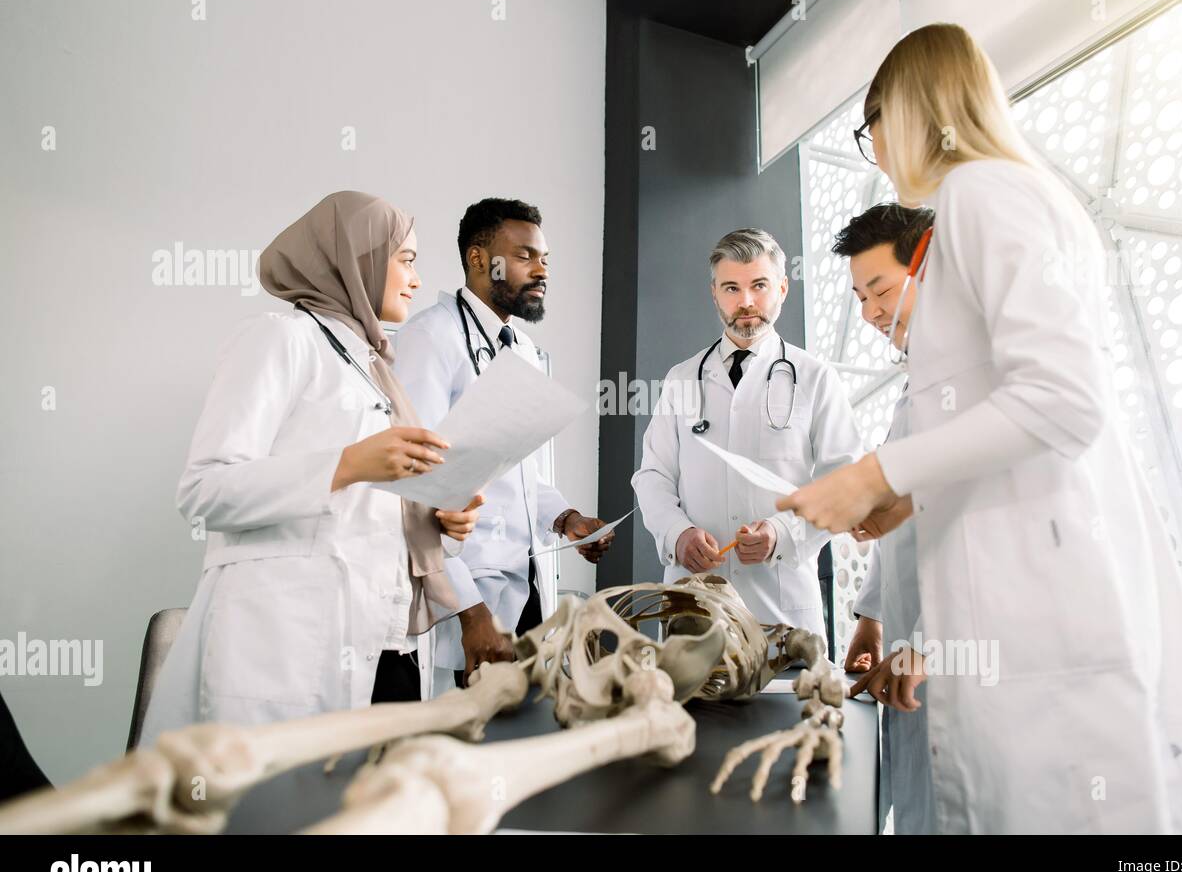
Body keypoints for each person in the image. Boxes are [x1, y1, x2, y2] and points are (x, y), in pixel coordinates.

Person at [777, 24, 1182, 833]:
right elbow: (1004, 412)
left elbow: (1062, 398)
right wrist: (906, 498)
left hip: (1034, 599)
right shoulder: (1009, 197)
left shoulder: (982, 194)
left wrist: (875, 474)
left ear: (912, 108)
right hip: (1028, 583)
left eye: (872, 123)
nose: (873, 146)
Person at [139, 191, 483, 743]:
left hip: (390, 647)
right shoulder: (281, 339)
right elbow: (204, 490)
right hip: (289, 648)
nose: (417, 279)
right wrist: (346, 465)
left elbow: (373, 521)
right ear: (356, 257)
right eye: (407, 258)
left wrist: (445, 523)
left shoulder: (377, 370)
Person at [393, 198, 612, 689]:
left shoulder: (524, 349)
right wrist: (469, 613)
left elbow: (518, 467)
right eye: (525, 256)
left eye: (545, 259)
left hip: (528, 582)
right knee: (463, 737)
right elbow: (417, 486)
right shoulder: (431, 338)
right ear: (478, 259)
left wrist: (565, 519)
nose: (541, 271)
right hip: (465, 594)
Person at [633, 228, 861, 640]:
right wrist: (676, 533)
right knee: (691, 701)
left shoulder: (816, 378)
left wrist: (782, 534)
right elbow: (653, 476)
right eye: (732, 288)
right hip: (696, 607)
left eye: (759, 285)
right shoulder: (682, 379)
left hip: (782, 609)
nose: (746, 302)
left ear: (782, 288)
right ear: (715, 293)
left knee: (787, 702)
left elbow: (843, 485)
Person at [836, 202, 936, 834]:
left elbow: (981, 535)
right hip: (908, 638)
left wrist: (925, 643)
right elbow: (905, 518)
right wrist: (872, 616)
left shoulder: (969, 383)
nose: (870, 313)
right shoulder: (918, 384)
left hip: (952, 651)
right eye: (859, 296)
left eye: (880, 290)